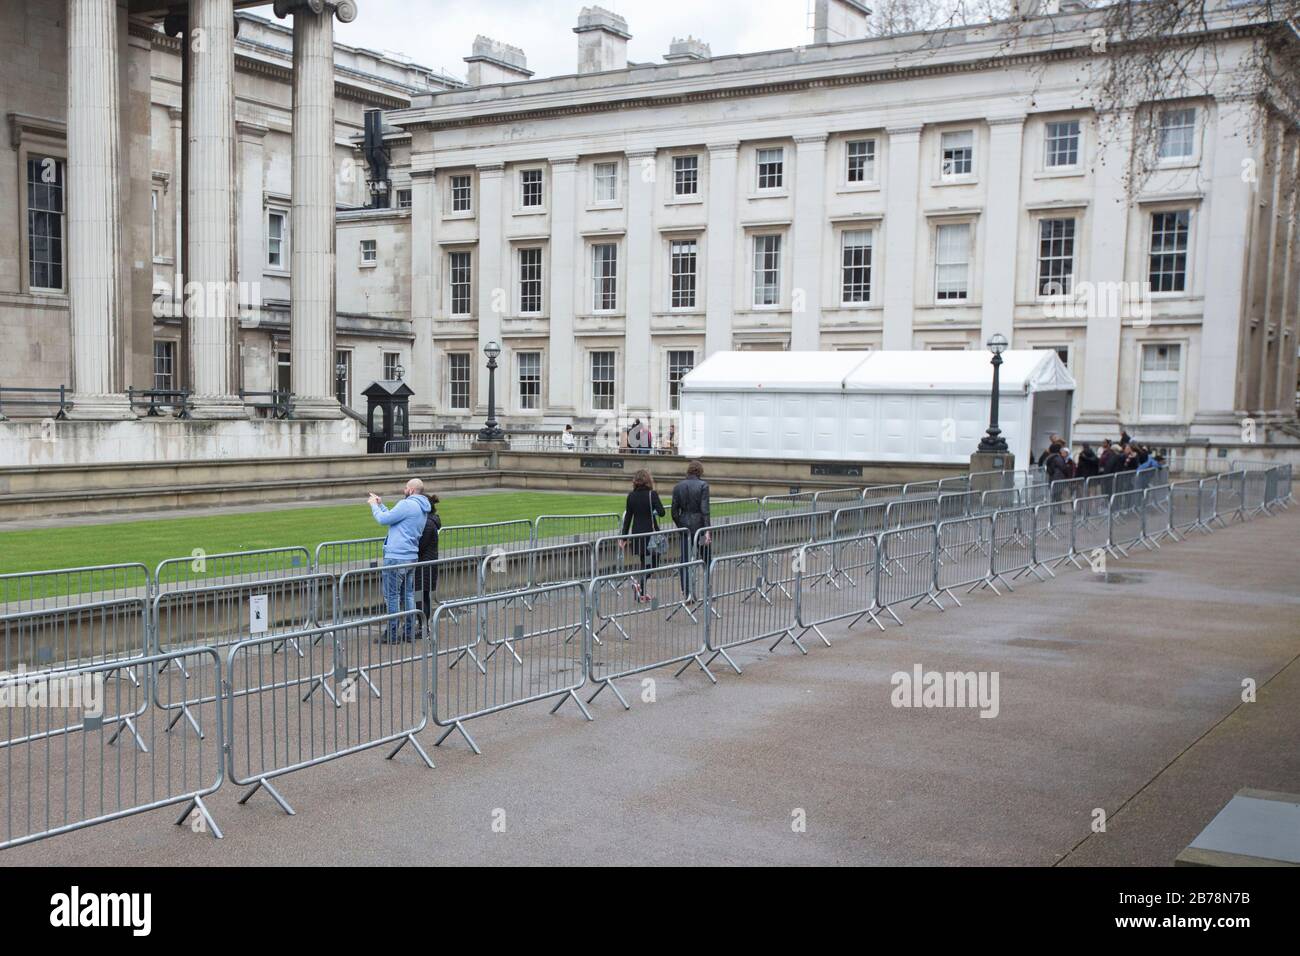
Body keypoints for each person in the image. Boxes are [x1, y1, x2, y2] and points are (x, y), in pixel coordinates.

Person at [368, 478, 431, 643]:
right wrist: (381, 505)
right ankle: (409, 632)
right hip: (410, 556)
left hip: (396, 557)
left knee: (392, 596)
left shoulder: (407, 504)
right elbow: (393, 517)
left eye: (405, 488)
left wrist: (373, 506)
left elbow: (383, 520)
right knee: (408, 595)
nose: (404, 490)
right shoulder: (422, 507)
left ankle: (392, 634)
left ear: (410, 490)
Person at [619, 469, 665, 601]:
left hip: (637, 534)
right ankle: (640, 586)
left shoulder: (631, 496)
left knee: (645, 563)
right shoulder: (652, 494)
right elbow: (662, 512)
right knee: (653, 563)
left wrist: (624, 537)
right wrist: (653, 512)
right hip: (651, 534)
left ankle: (642, 592)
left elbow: (628, 518)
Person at [671, 460, 712, 601]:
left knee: (685, 560)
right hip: (700, 526)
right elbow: (705, 510)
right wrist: (707, 530)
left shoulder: (678, 486)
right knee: (707, 558)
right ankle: (707, 590)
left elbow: (674, 512)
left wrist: (680, 525)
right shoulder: (703, 486)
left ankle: (687, 593)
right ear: (700, 471)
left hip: (684, 525)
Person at [416, 492, 442, 626]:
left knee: (421, 597)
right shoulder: (431, 521)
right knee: (423, 596)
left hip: (424, 565)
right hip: (427, 564)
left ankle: (423, 626)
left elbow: (420, 546)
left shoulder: (427, 523)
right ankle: (423, 625)